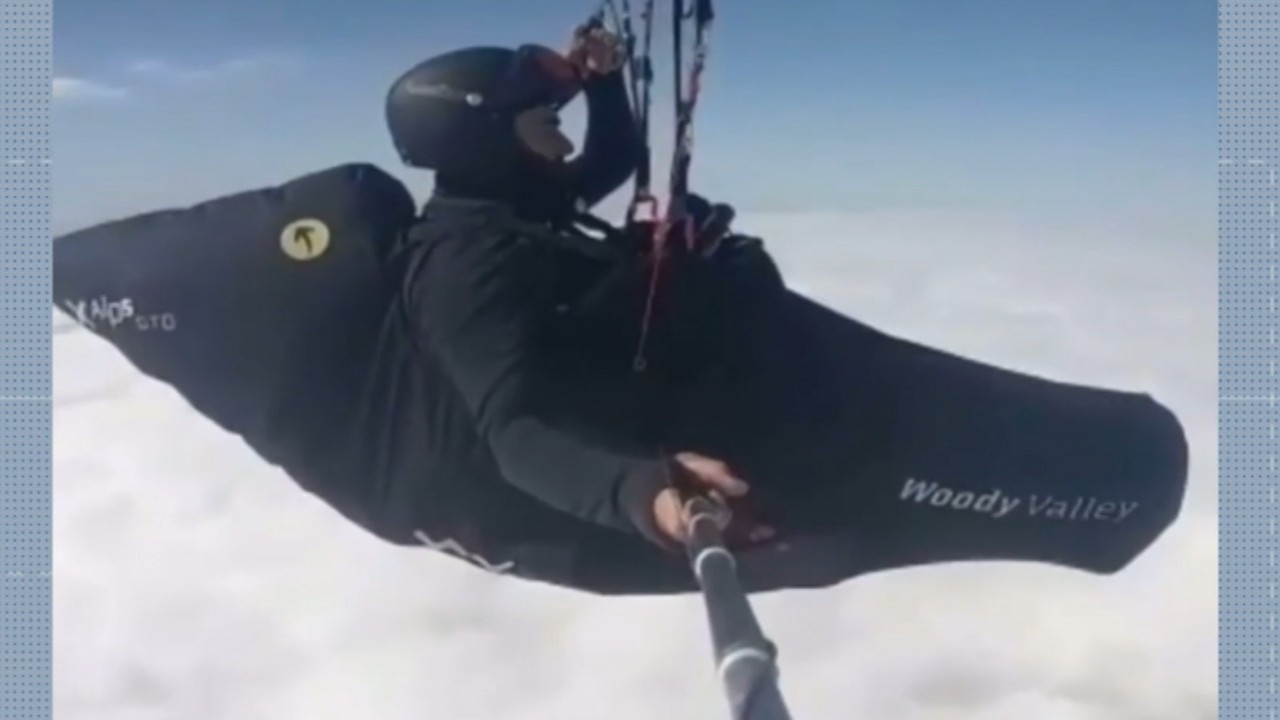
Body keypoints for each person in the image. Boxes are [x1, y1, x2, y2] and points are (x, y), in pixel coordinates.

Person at [378, 27, 781, 582]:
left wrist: (605, 83)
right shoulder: (464, 267)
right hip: (597, 454)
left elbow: (613, 159)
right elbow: (515, 436)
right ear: (486, 139)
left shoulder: (511, 201)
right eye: (548, 125)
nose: (565, 148)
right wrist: (645, 492)